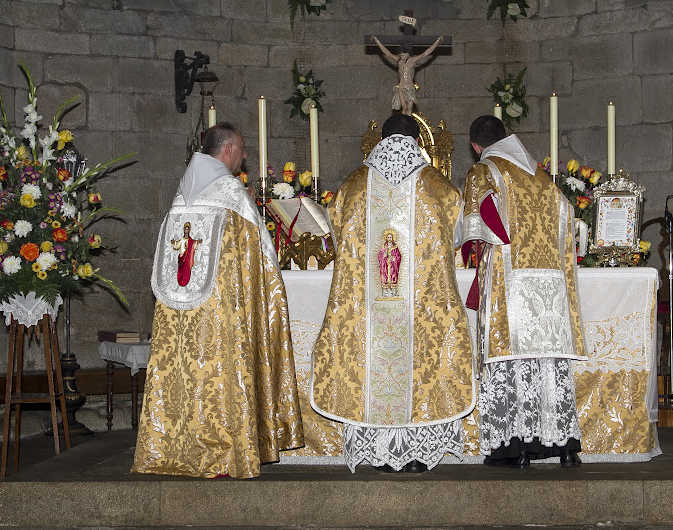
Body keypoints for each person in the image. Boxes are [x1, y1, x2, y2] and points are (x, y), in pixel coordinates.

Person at [132, 123, 303, 478]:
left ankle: (172, 450)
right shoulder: (231, 193)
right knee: (218, 374)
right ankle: (223, 454)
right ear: (228, 150)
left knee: (182, 373)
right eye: (242, 150)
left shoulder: (181, 197)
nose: (245, 156)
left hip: (179, 313)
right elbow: (263, 261)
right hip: (220, 315)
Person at [311, 113, 474, 473]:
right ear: (418, 142)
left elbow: (337, 239)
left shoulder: (352, 187)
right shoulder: (440, 188)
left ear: (380, 141)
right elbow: (457, 240)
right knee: (422, 365)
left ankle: (378, 451)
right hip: (421, 308)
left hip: (370, 307)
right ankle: (416, 453)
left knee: (373, 367)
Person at [460, 115, 586, 469]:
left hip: (509, 280)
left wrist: (488, 247)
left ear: (476, 147)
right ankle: (562, 445)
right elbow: (566, 212)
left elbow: (481, 217)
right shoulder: (539, 174)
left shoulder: (484, 171)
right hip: (548, 280)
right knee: (547, 363)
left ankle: (512, 449)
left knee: (508, 360)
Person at [371, 35, 444, 115]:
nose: (402, 57)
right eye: (401, 55)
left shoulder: (413, 61)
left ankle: (409, 122)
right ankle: (403, 122)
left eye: (404, 55)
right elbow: (387, 53)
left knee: (409, 108)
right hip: (401, 87)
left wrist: (437, 42)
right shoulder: (399, 61)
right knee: (404, 108)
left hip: (410, 87)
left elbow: (425, 53)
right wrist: (377, 41)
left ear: (408, 53)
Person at [171, 222, 202, 287]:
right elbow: (177, 246)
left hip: (187, 260)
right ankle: (180, 281)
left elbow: (194, 244)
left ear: (189, 230)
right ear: (183, 230)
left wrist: (198, 242)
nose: (186, 231)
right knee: (181, 271)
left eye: (188, 229)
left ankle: (186, 281)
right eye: (185, 229)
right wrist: (174, 243)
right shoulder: (182, 240)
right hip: (181, 258)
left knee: (186, 271)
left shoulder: (191, 241)